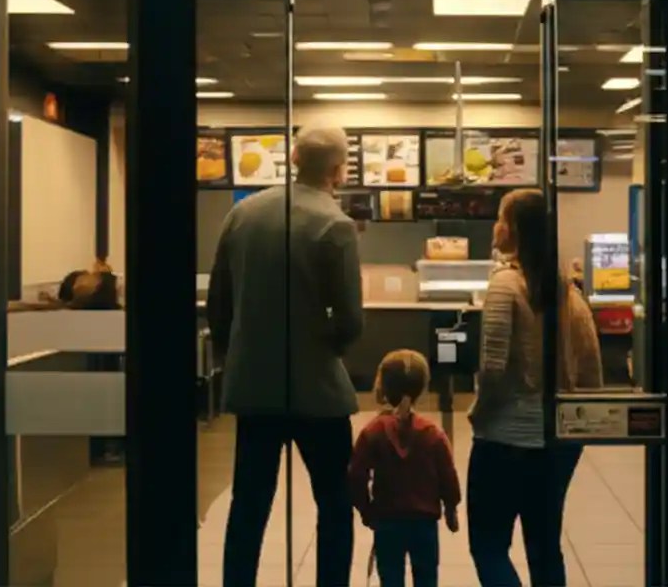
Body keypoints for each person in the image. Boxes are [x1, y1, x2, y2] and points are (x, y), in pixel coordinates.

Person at [207, 124, 364, 587]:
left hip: (254, 386)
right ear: (339, 169)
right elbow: (351, 319)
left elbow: (219, 302)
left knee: (250, 502)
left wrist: (236, 353)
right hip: (317, 390)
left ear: (293, 157)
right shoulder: (334, 224)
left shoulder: (243, 214)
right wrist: (327, 348)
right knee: (335, 501)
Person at [467, 188, 602, 587]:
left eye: (500, 217)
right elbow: (590, 365)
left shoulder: (505, 285)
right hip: (557, 441)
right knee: (545, 548)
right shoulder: (566, 289)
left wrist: (481, 413)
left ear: (513, 229)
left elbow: (493, 367)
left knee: (489, 547)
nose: (495, 225)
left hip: (506, 439)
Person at [348, 350, 461, 587]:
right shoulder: (433, 434)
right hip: (425, 525)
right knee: (427, 578)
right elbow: (448, 477)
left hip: (387, 523)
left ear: (383, 388)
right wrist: (451, 509)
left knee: (390, 578)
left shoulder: (373, 432)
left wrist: (367, 511)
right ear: (422, 389)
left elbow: (356, 477)